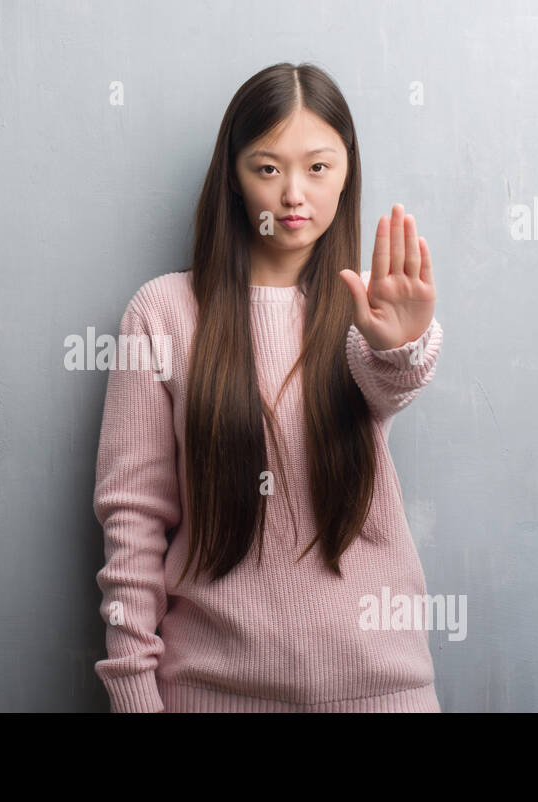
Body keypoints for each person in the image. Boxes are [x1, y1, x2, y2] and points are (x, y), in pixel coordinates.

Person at [92, 62, 444, 712]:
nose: (293, 195)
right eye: (267, 168)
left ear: (347, 173)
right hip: (210, 691)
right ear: (234, 176)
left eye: (318, 167)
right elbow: (133, 520)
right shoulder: (163, 312)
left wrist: (400, 344)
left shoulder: (364, 310)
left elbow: (391, 382)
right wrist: (133, 691)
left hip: (381, 689)